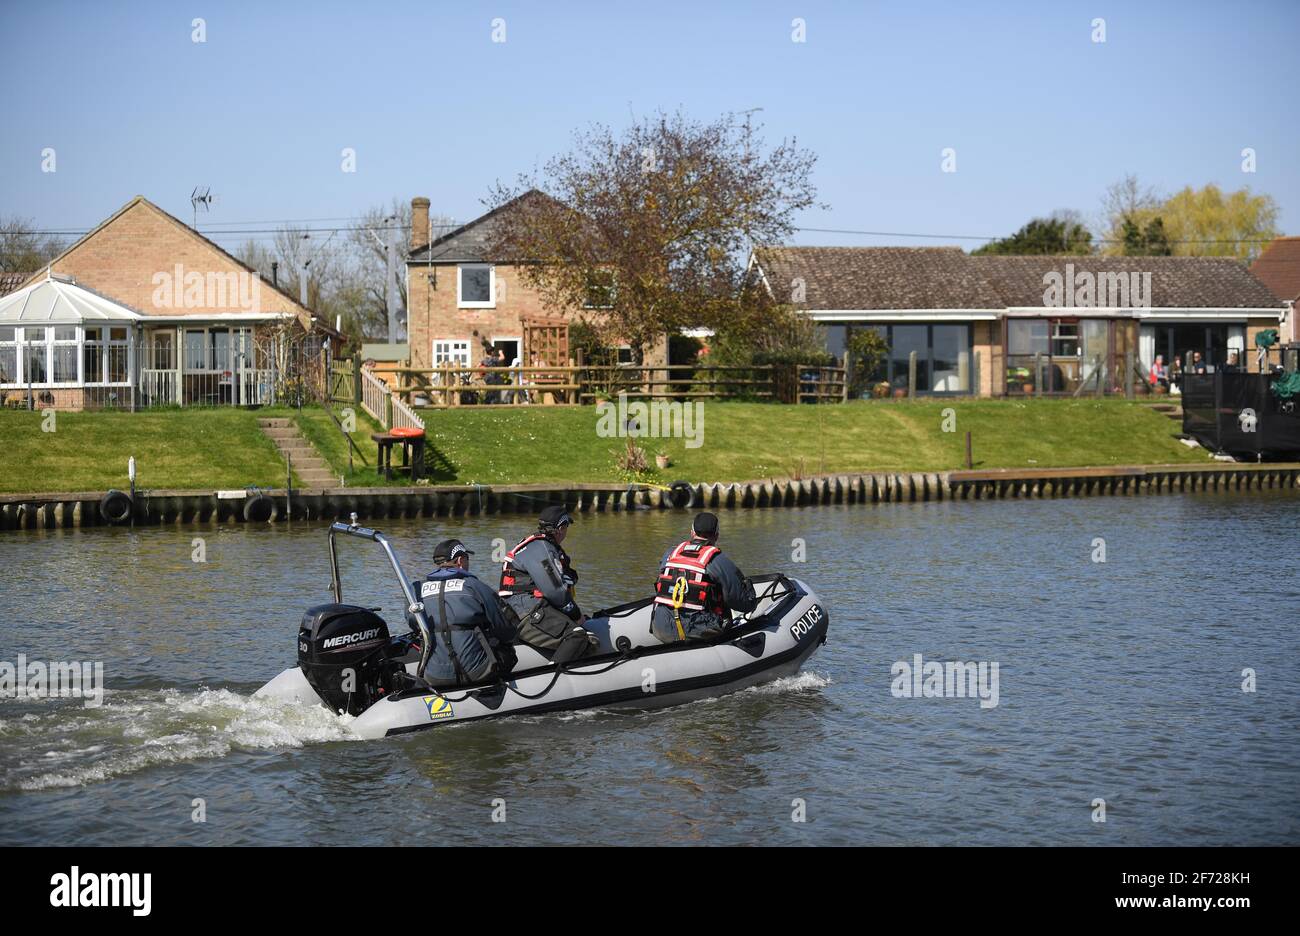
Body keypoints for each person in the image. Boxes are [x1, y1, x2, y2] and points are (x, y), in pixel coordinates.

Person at [499, 506, 598, 661]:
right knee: (577, 636)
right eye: (566, 527)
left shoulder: (534, 545)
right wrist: (576, 615)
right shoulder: (541, 548)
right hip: (526, 612)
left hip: (520, 610)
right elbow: (555, 591)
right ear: (561, 528)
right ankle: (556, 677)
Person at [417, 539, 518, 687]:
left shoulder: (418, 590)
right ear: (459, 560)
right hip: (474, 673)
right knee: (506, 650)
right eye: (467, 559)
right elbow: (504, 628)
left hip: (433, 675)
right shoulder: (474, 586)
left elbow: (413, 623)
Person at [650, 512, 757, 644]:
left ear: (692, 532)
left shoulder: (670, 554)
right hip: (697, 631)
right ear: (716, 535)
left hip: (660, 627)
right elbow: (743, 604)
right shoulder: (718, 560)